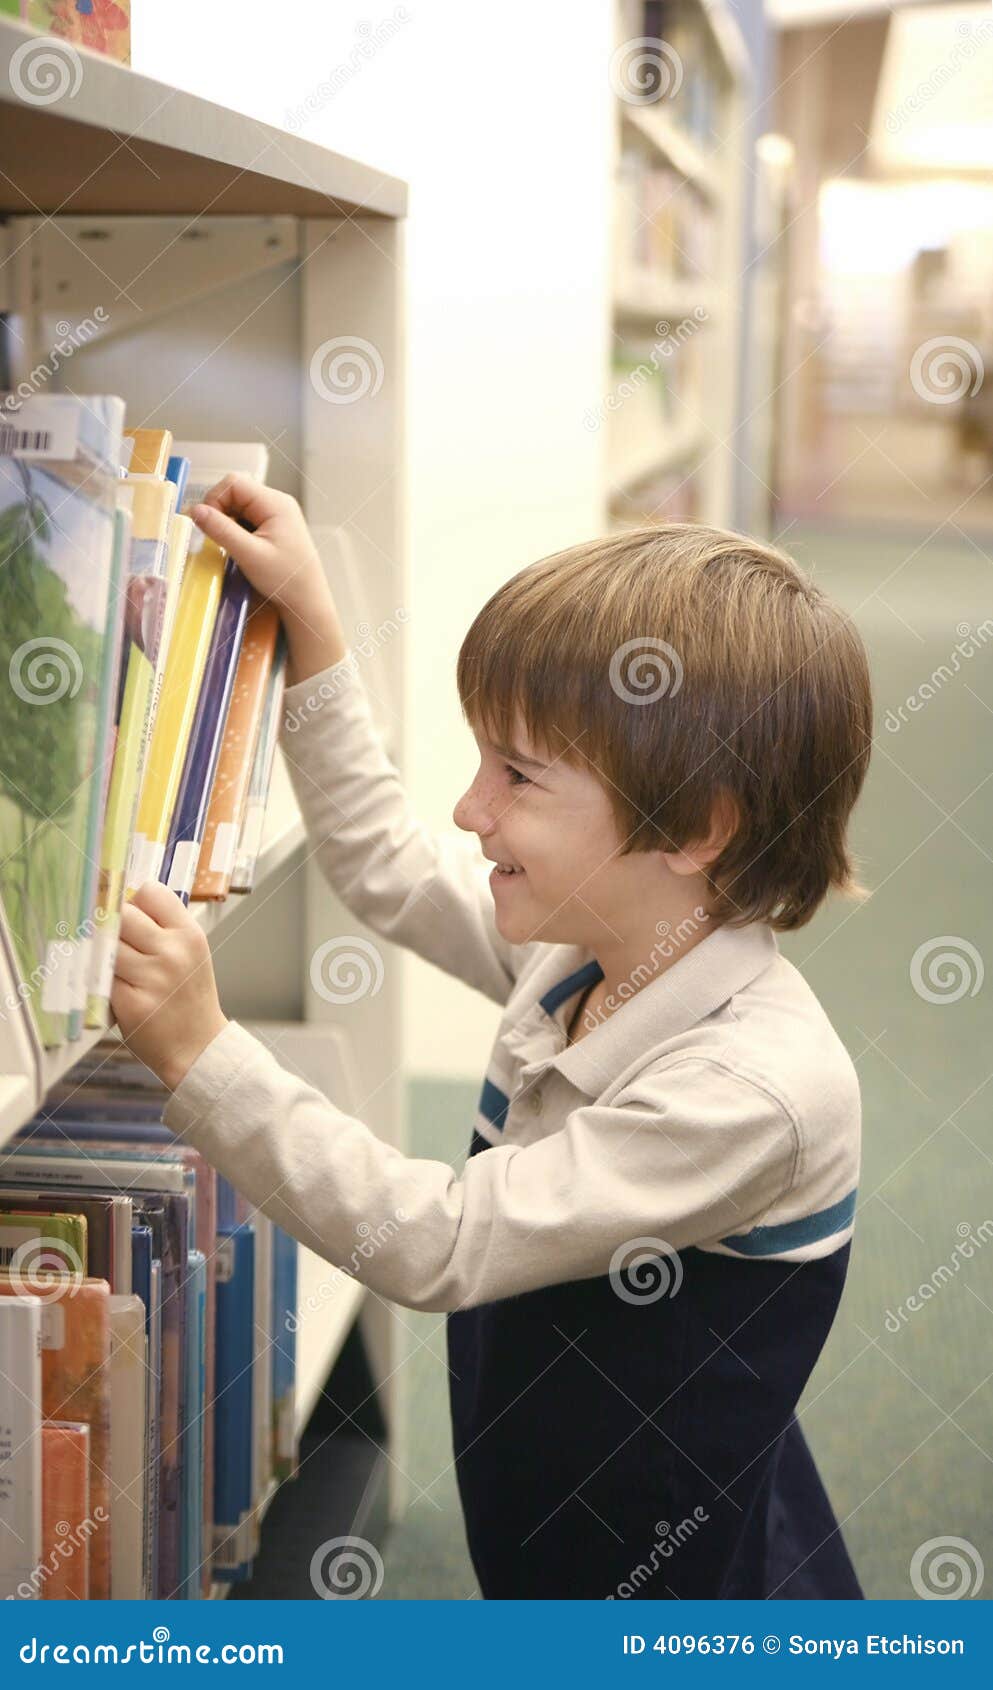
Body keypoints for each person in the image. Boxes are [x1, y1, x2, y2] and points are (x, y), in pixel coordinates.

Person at [111, 478, 873, 1599]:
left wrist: (204, 1054)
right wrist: (315, 624)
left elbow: (439, 1241)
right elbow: (384, 861)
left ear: (700, 827)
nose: (471, 808)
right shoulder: (592, 948)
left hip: (664, 1580)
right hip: (551, 1502)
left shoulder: (753, 1091)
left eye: (518, 775)